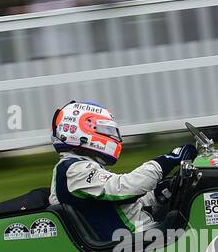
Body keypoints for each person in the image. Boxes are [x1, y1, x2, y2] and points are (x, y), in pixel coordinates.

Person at [48, 100, 196, 241]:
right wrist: (169, 159)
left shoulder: (80, 167)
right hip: (131, 245)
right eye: (105, 130)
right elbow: (125, 189)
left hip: (135, 236)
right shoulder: (73, 170)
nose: (110, 136)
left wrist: (160, 194)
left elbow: (124, 206)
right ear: (79, 131)